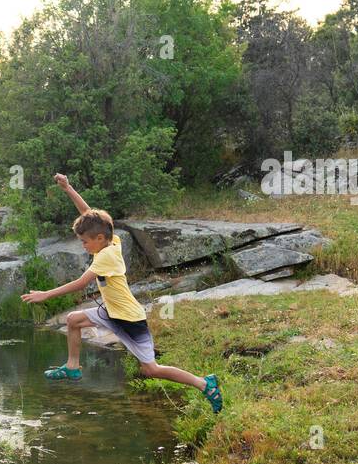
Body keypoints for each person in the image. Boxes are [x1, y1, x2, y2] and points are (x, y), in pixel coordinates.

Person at [21, 173, 223, 413]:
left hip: (129, 319)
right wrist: (69, 189)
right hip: (111, 311)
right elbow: (90, 216)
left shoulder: (106, 256)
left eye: (85, 242)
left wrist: (46, 294)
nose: (83, 246)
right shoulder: (110, 241)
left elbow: (80, 283)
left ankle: (204, 384)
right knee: (73, 320)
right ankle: (73, 367)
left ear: (98, 239)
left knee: (151, 370)